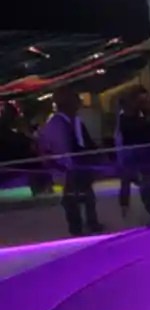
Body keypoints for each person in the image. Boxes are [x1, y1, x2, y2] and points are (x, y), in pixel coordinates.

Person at [37, 88, 103, 236]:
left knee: (85, 195)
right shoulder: (57, 124)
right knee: (72, 198)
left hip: (80, 165)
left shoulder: (75, 121)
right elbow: (57, 147)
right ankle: (77, 227)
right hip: (70, 168)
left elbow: (85, 142)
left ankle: (89, 223)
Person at [116, 88, 150, 220]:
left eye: (146, 100)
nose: (144, 103)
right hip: (134, 156)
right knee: (136, 181)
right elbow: (133, 132)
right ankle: (133, 207)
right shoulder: (127, 117)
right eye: (140, 101)